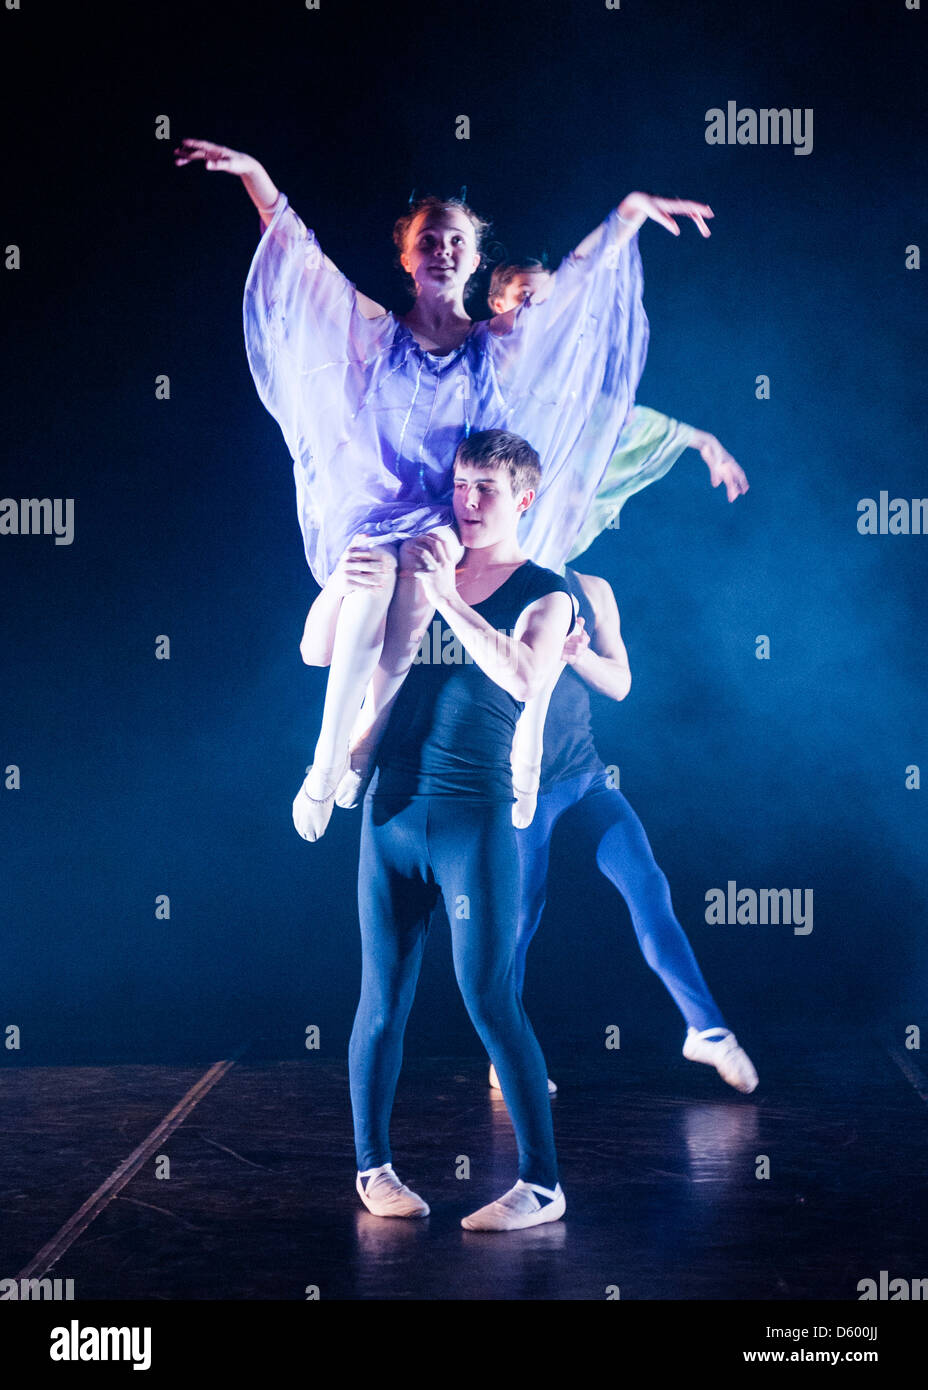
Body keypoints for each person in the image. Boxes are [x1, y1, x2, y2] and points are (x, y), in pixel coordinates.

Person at [174, 137, 715, 839]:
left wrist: (626, 218)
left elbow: (571, 300)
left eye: (457, 239)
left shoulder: (497, 342)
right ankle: (336, 750)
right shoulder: (374, 330)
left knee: (424, 555)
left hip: (447, 513)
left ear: (475, 255)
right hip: (372, 506)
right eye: (429, 239)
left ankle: (358, 743)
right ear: (407, 255)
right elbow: (302, 265)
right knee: (368, 577)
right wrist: (256, 179)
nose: (444, 249)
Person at [350, 429, 575, 1231]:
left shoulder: (548, 592)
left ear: (525, 497)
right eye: (460, 485)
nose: (468, 502)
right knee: (381, 1002)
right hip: (390, 815)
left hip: (469, 824)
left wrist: (447, 595)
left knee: (490, 1000)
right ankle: (371, 1169)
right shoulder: (417, 570)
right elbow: (343, 659)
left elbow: (522, 674)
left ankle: (542, 1186)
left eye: (487, 488)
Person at [503, 561, 759, 1096]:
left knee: (648, 885)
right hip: (520, 790)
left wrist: (580, 654)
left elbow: (619, 683)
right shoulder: (498, 579)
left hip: (586, 779)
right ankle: (506, 1055)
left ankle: (705, 1028)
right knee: (520, 917)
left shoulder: (593, 588)